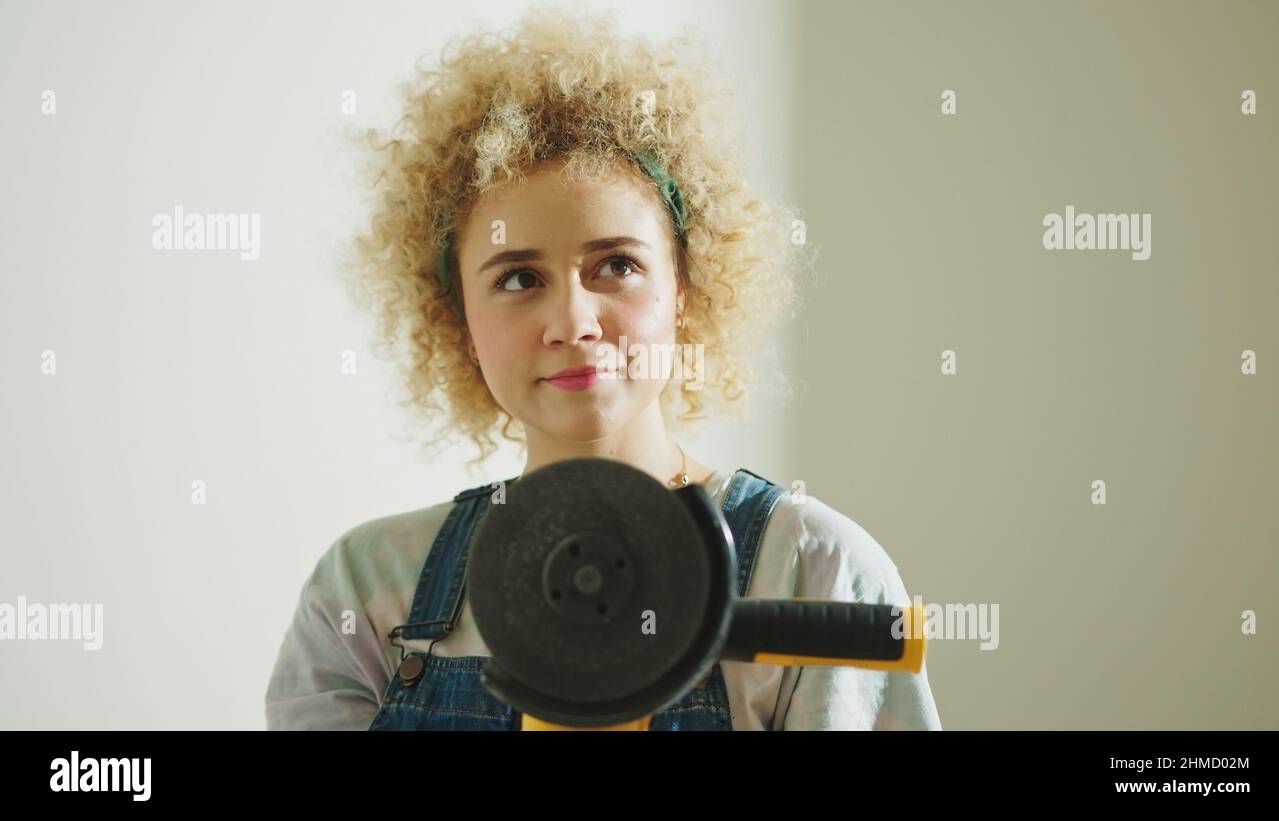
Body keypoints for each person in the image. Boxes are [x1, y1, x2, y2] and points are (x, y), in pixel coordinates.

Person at [265, 4, 941, 731]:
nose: (574, 323)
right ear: (457, 319)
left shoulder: (817, 571)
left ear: (685, 287)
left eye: (616, 265)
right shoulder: (367, 592)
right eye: (519, 278)